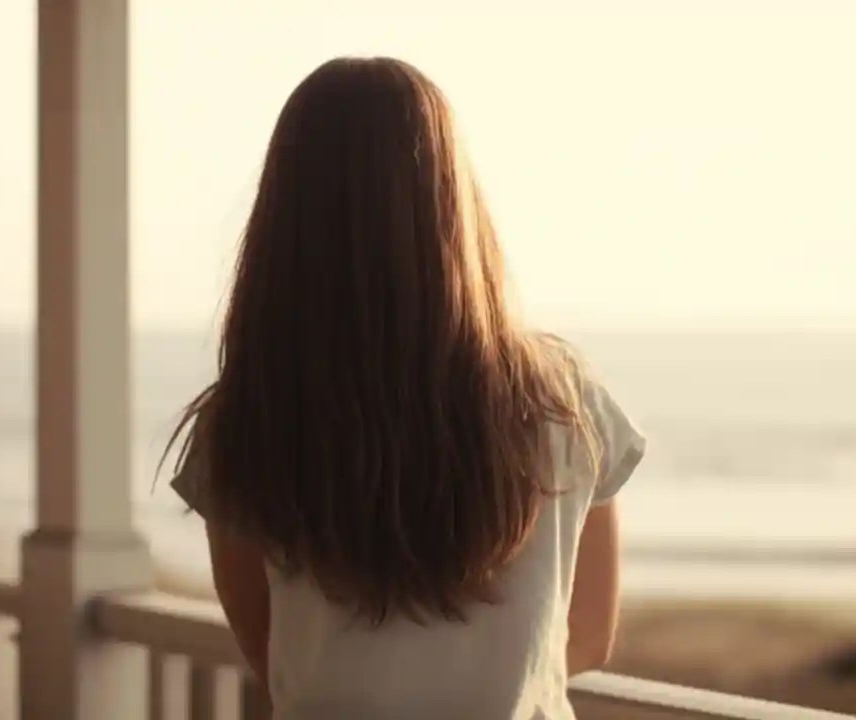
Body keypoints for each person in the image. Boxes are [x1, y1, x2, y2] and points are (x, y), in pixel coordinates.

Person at [167, 57, 645, 719]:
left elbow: (270, 649)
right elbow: (588, 635)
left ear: (285, 216)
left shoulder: (248, 420)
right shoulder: (564, 400)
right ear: (453, 200)